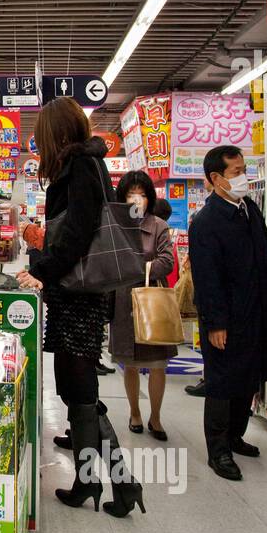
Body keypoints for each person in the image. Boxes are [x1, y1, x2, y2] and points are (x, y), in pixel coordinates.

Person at [18, 97, 144, 518]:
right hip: (77, 294)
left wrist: (43, 268)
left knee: (80, 387)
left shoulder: (80, 168)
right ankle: (106, 483)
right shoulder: (84, 166)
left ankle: (111, 483)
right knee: (76, 388)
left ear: (55, 135)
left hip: (80, 295)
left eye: (41, 137)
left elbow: (76, 235)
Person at [189, 145, 267, 481]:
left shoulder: (249, 210)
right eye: (236, 172)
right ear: (216, 179)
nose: (244, 177)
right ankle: (218, 450)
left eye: (245, 169)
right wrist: (215, 322)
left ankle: (235, 435)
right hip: (226, 316)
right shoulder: (206, 222)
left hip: (256, 310)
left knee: (248, 377)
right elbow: (207, 278)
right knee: (222, 383)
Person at [108, 171, 176, 441]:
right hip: (124, 301)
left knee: (158, 362)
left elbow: (168, 260)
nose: (137, 198)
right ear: (123, 198)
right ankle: (135, 411)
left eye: (143, 193)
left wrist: (142, 267)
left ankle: (156, 417)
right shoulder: (115, 225)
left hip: (152, 299)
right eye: (131, 194)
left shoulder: (158, 225)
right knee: (129, 362)